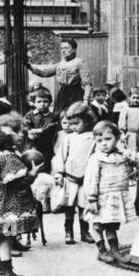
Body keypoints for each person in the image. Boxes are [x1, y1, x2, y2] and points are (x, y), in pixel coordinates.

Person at [84, 120, 139, 263]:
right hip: (101, 198)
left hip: (116, 196)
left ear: (118, 138)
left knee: (111, 224)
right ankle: (101, 250)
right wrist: (92, 199)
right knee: (97, 224)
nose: (104, 143)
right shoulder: (96, 158)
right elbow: (90, 180)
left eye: (108, 139)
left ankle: (114, 250)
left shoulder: (122, 154)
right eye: (99, 140)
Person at [0, 114, 39, 276]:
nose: (22, 134)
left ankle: (1, 271)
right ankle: (8, 274)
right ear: (4, 136)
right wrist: (32, 174)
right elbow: (18, 182)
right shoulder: (8, 157)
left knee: (1, 238)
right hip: (7, 206)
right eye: (16, 131)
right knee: (7, 238)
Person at [51, 101, 96, 245]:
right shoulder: (68, 139)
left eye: (76, 123)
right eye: (70, 124)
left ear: (87, 120)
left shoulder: (94, 138)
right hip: (70, 178)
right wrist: (59, 173)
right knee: (69, 206)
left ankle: (85, 231)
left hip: (86, 179)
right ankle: (68, 231)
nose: (72, 127)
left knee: (83, 206)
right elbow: (59, 157)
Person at [28, 38, 91, 111]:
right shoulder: (60, 64)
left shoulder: (79, 63)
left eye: (66, 48)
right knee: (59, 115)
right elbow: (45, 73)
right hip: (62, 94)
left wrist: (86, 100)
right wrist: (29, 66)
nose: (63, 51)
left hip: (75, 94)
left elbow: (87, 84)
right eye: (62, 48)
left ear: (74, 49)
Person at [23, 86, 59, 159]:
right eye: (39, 102)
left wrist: (41, 130)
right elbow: (25, 125)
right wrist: (29, 132)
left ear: (50, 102)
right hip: (33, 144)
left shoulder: (53, 116)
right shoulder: (30, 115)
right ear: (33, 103)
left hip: (48, 145)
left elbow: (52, 127)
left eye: (45, 101)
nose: (42, 104)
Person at [116, 88, 139, 152]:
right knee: (131, 151)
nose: (136, 100)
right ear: (130, 97)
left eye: (138, 98)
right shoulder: (126, 109)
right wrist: (122, 133)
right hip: (130, 134)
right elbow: (122, 122)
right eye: (134, 98)